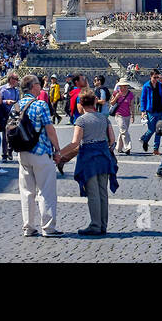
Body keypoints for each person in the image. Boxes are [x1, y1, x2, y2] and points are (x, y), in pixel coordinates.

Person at [56, 91, 119, 236]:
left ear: (81, 104)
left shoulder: (81, 120)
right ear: (94, 103)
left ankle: (95, 225)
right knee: (103, 191)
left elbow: (75, 143)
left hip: (89, 159)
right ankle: (103, 224)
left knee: (93, 193)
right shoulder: (104, 119)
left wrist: (59, 154)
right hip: (103, 157)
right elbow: (112, 139)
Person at [15, 74, 63, 237]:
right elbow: (50, 129)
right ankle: (48, 228)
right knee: (46, 190)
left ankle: (28, 227)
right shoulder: (40, 105)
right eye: (38, 83)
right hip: (40, 151)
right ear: (32, 86)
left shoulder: (16, 105)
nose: (41, 84)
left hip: (23, 152)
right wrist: (57, 149)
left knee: (27, 192)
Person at [140, 69, 162, 154]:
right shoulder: (146, 86)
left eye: (157, 77)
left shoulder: (161, 86)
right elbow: (143, 99)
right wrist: (143, 111)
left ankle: (156, 149)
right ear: (150, 77)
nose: (156, 79)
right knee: (151, 129)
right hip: (150, 111)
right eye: (154, 77)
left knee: (159, 130)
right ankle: (144, 139)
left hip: (160, 110)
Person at [109, 78, 135, 154]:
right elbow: (112, 103)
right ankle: (128, 147)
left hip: (127, 115)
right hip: (118, 115)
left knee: (123, 131)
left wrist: (132, 116)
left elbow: (132, 106)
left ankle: (119, 148)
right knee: (124, 130)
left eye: (124, 86)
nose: (122, 88)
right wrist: (116, 97)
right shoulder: (116, 93)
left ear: (127, 86)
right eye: (121, 86)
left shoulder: (130, 94)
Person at [0, 72, 20, 162]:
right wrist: (6, 101)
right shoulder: (2, 89)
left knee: (13, 134)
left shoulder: (16, 91)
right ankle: (4, 154)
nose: (17, 81)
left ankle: (10, 150)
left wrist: (19, 112)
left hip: (13, 115)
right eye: (16, 79)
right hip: (4, 114)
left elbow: (18, 103)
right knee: (5, 135)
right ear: (11, 79)